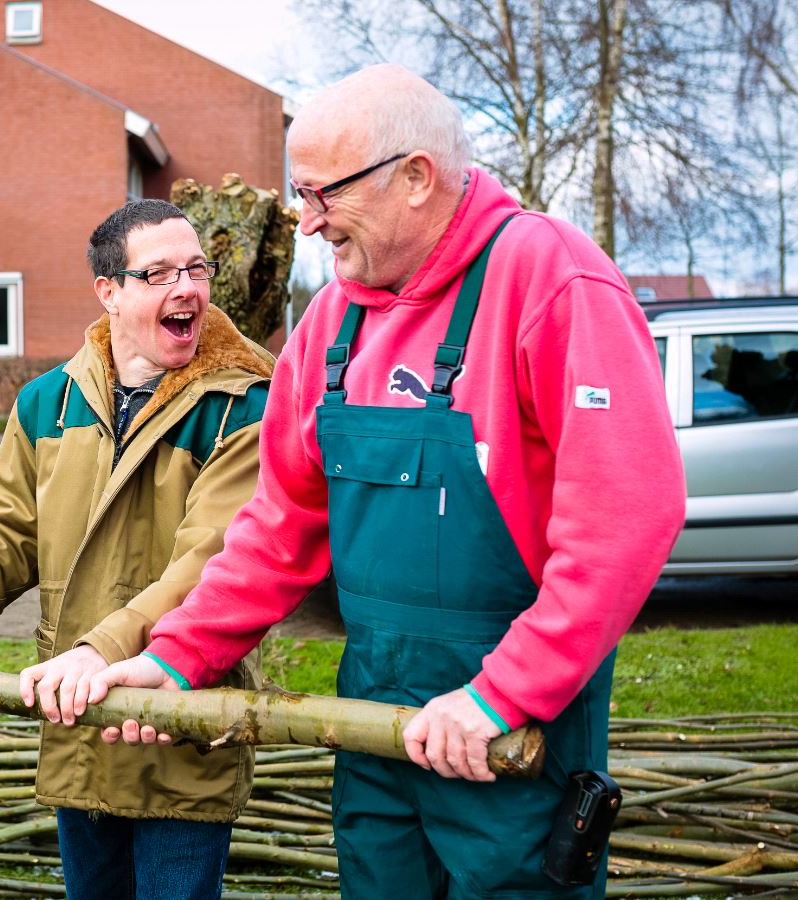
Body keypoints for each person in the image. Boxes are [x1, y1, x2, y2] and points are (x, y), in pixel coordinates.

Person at [89, 65, 687, 898]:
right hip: (374, 721)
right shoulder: (332, 323)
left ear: (415, 178)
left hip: (512, 732)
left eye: (323, 194)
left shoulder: (549, 278)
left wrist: (501, 694)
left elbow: (625, 518)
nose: (305, 222)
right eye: (298, 195)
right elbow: (280, 525)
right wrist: (179, 656)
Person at [0, 198, 274, 898]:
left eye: (196, 268)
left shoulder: (244, 406)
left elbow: (211, 566)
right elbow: (13, 537)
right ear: (109, 291)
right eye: (159, 273)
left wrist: (99, 652)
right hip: (77, 723)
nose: (186, 288)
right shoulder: (48, 401)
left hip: (178, 726)